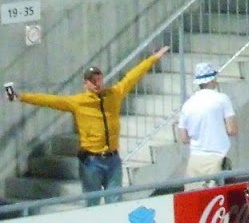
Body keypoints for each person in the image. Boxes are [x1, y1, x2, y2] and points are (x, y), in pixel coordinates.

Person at [13, 45, 169, 203]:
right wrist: (21, 96)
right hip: (92, 161)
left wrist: (153, 59)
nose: (97, 83)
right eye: (92, 81)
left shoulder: (113, 94)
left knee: (114, 200)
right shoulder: (79, 102)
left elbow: (132, 76)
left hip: (113, 158)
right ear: (85, 83)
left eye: (99, 79)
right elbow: (49, 100)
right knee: (92, 202)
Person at [177, 62, 237, 182]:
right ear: (211, 80)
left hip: (195, 159)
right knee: (217, 195)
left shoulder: (188, 104)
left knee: (193, 196)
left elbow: (184, 138)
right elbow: (232, 130)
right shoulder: (222, 99)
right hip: (216, 157)